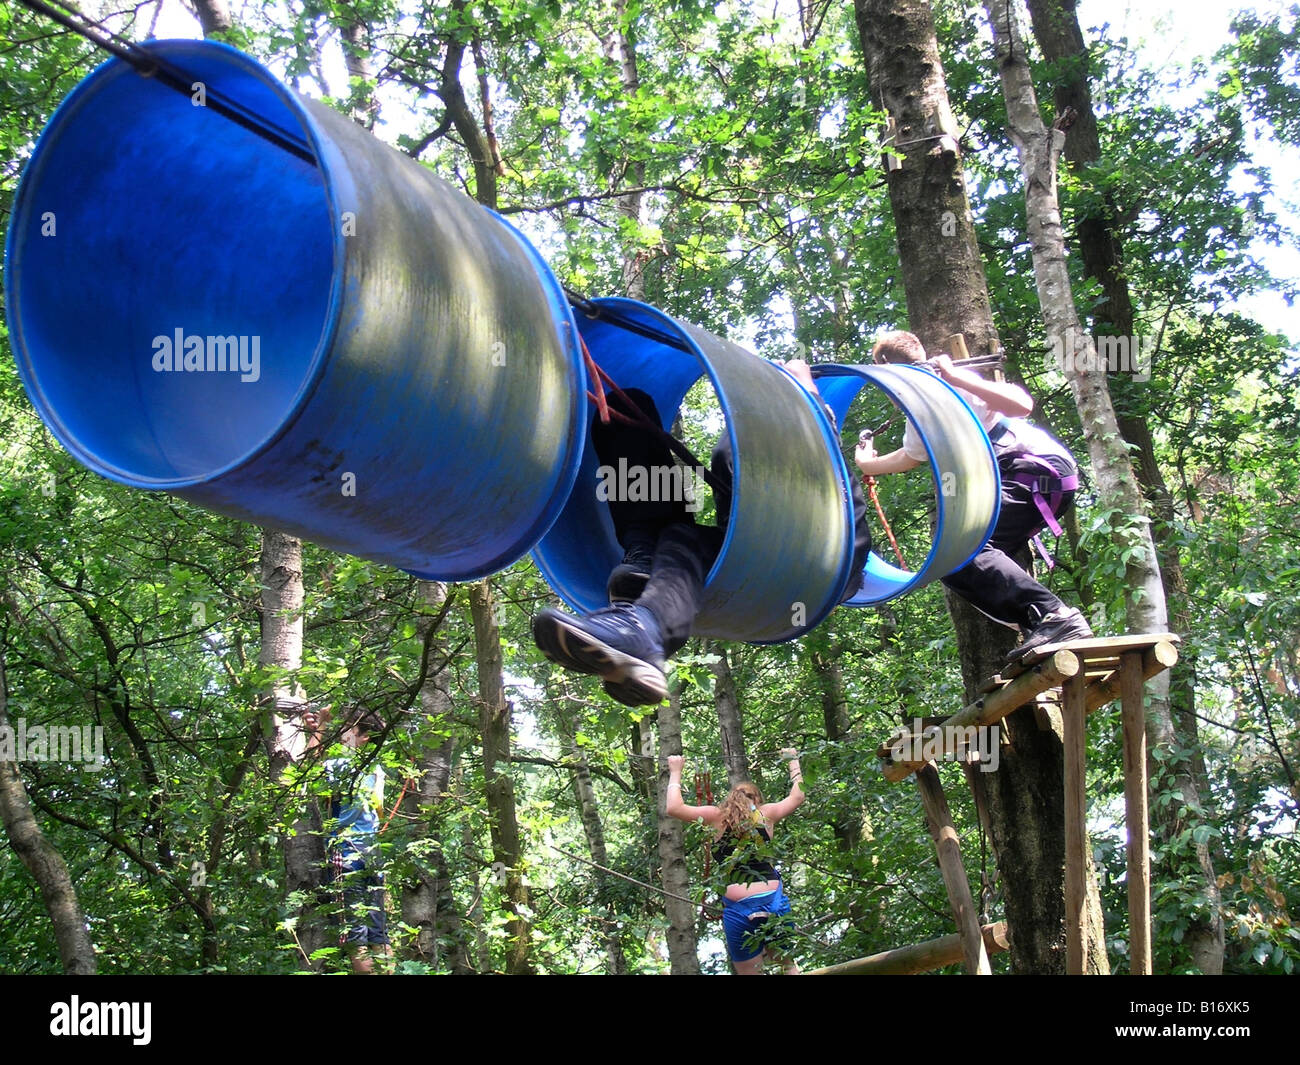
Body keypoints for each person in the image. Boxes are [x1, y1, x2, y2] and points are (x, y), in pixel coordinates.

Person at [532, 359, 873, 706]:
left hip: (822, 568)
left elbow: (820, 451)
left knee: (690, 531)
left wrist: (809, 395)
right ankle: (644, 567)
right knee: (625, 411)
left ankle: (646, 630)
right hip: (749, 558)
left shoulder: (827, 491)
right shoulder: (745, 460)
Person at [856, 331, 1092, 659]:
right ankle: (1039, 624)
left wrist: (955, 376)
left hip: (1038, 472)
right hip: (1030, 481)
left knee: (965, 551)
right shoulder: (920, 408)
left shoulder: (951, 384)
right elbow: (909, 457)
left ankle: (1055, 616)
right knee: (950, 564)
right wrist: (866, 462)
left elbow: (1022, 405)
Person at [666, 749, 805, 975]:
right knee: (788, 964)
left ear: (730, 799)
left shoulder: (715, 817)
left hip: (739, 906)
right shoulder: (765, 814)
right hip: (773, 899)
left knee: (749, 972)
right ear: (756, 799)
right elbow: (798, 796)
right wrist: (793, 761)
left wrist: (675, 771)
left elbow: (673, 808)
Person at [305, 705, 390, 974]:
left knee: (356, 938)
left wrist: (320, 726)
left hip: (347, 854)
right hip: (373, 853)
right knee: (378, 935)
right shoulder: (375, 768)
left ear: (364, 737)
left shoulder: (344, 767)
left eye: (347, 728)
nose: (341, 731)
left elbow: (306, 765)